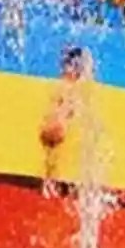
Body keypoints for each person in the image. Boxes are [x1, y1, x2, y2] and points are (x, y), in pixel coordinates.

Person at [39, 46, 92, 197]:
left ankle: (49, 183)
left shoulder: (62, 84)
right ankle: (53, 184)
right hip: (58, 124)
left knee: (51, 157)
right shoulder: (70, 86)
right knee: (58, 155)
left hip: (54, 123)